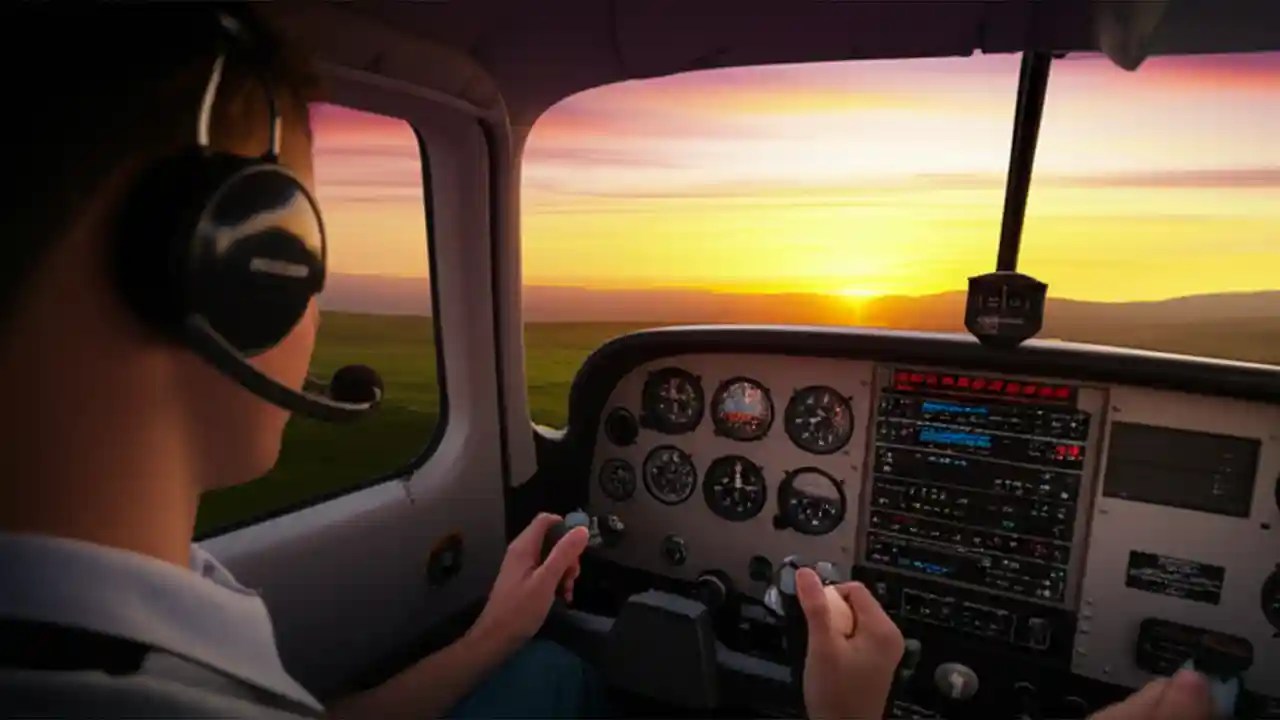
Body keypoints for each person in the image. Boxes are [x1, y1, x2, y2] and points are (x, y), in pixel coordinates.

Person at [0, 5, 1223, 720]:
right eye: (303, 243)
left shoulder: (130, 603)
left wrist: (482, 633)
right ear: (233, 271)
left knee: (534, 665)